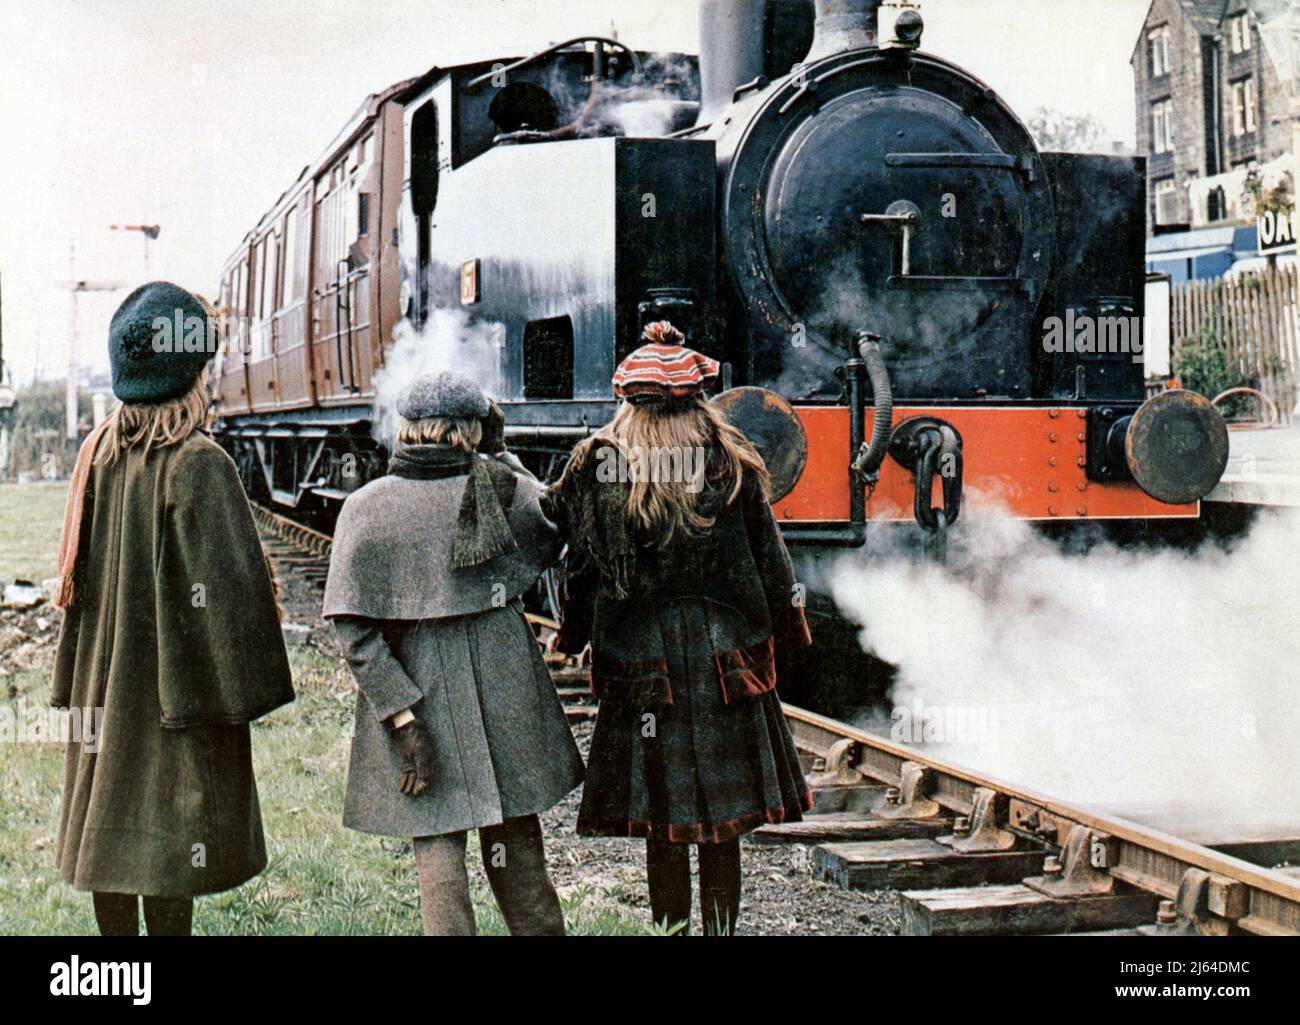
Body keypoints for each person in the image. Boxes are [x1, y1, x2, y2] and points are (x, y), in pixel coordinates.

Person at [542, 320, 813, 936]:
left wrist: (573, 636)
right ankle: (722, 931)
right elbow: (774, 566)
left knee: (663, 817)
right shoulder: (732, 465)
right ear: (697, 401)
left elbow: (582, 568)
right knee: (723, 822)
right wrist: (794, 642)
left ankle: (671, 928)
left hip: (644, 665)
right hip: (728, 660)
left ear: (629, 405)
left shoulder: (604, 468)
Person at [51, 281, 295, 936]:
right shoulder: (198, 462)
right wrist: (245, 687)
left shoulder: (97, 454)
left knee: (112, 835)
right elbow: (235, 595)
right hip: (170, 693)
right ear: (189, 374)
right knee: (166, 847)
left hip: (104, 690)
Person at [323, 370, 584, 936]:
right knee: (518, 851)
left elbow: (354, 631)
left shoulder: (366, 507)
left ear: (407, 429)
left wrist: (401, 715)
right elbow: (551, 526)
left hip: (418, 687)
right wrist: (504, 453)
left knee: (438, 854)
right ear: (472, 430)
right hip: (503, 683)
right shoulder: (501, 489)